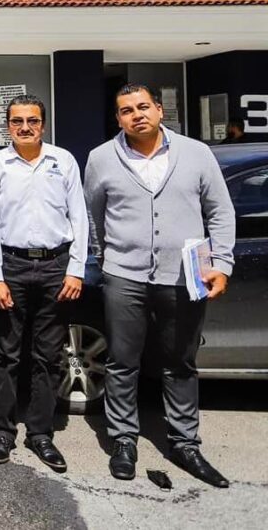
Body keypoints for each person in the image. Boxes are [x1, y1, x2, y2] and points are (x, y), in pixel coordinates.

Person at [85, 84, 235, 488]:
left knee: (181, 361)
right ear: (117, 118)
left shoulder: (196, 153)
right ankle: (123, 441)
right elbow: (94, 217)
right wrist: (109, 261)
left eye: (143, 107)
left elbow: (220, 211)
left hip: (184, 276)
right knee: (121, 362)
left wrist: (221, 262)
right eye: (126, 110)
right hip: (124, 276)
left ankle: (185, 443)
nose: (137, 115)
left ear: (157, 109)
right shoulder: (100, 159)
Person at [0, 94, 87, 473]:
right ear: (7, 125)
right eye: (17, 121)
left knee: (48, 355)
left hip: (56, 267)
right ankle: (2, 432)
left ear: (43, 124)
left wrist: (76, 269)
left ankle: (40, 433)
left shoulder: (64, 161)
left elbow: (80, 218)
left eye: (33, 120)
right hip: (12, 266)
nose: (25, 127)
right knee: (6, 354)